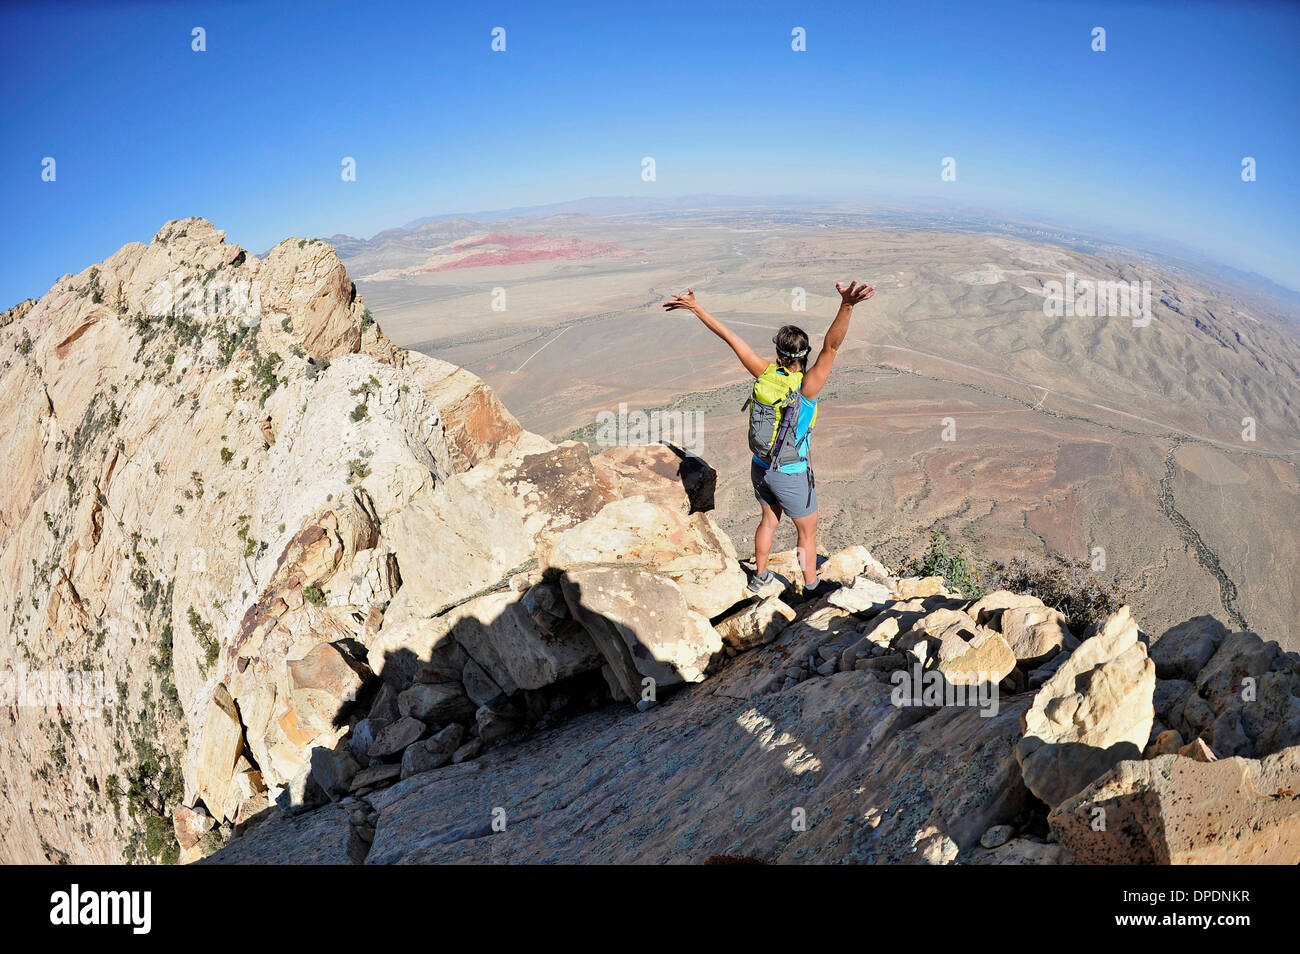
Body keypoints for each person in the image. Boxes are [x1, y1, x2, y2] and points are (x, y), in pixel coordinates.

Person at [662, 281, 876, 596]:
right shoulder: (807, 387)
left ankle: (760, 576)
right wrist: (847, 305)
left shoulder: (763, 372)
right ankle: (812, 585)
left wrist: (696, 307)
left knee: (769, 519)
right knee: (807, 532)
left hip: (759, 466)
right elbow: (832, 346)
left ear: (777, 351)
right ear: (805, 355)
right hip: (790, 472)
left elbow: (730, 337)